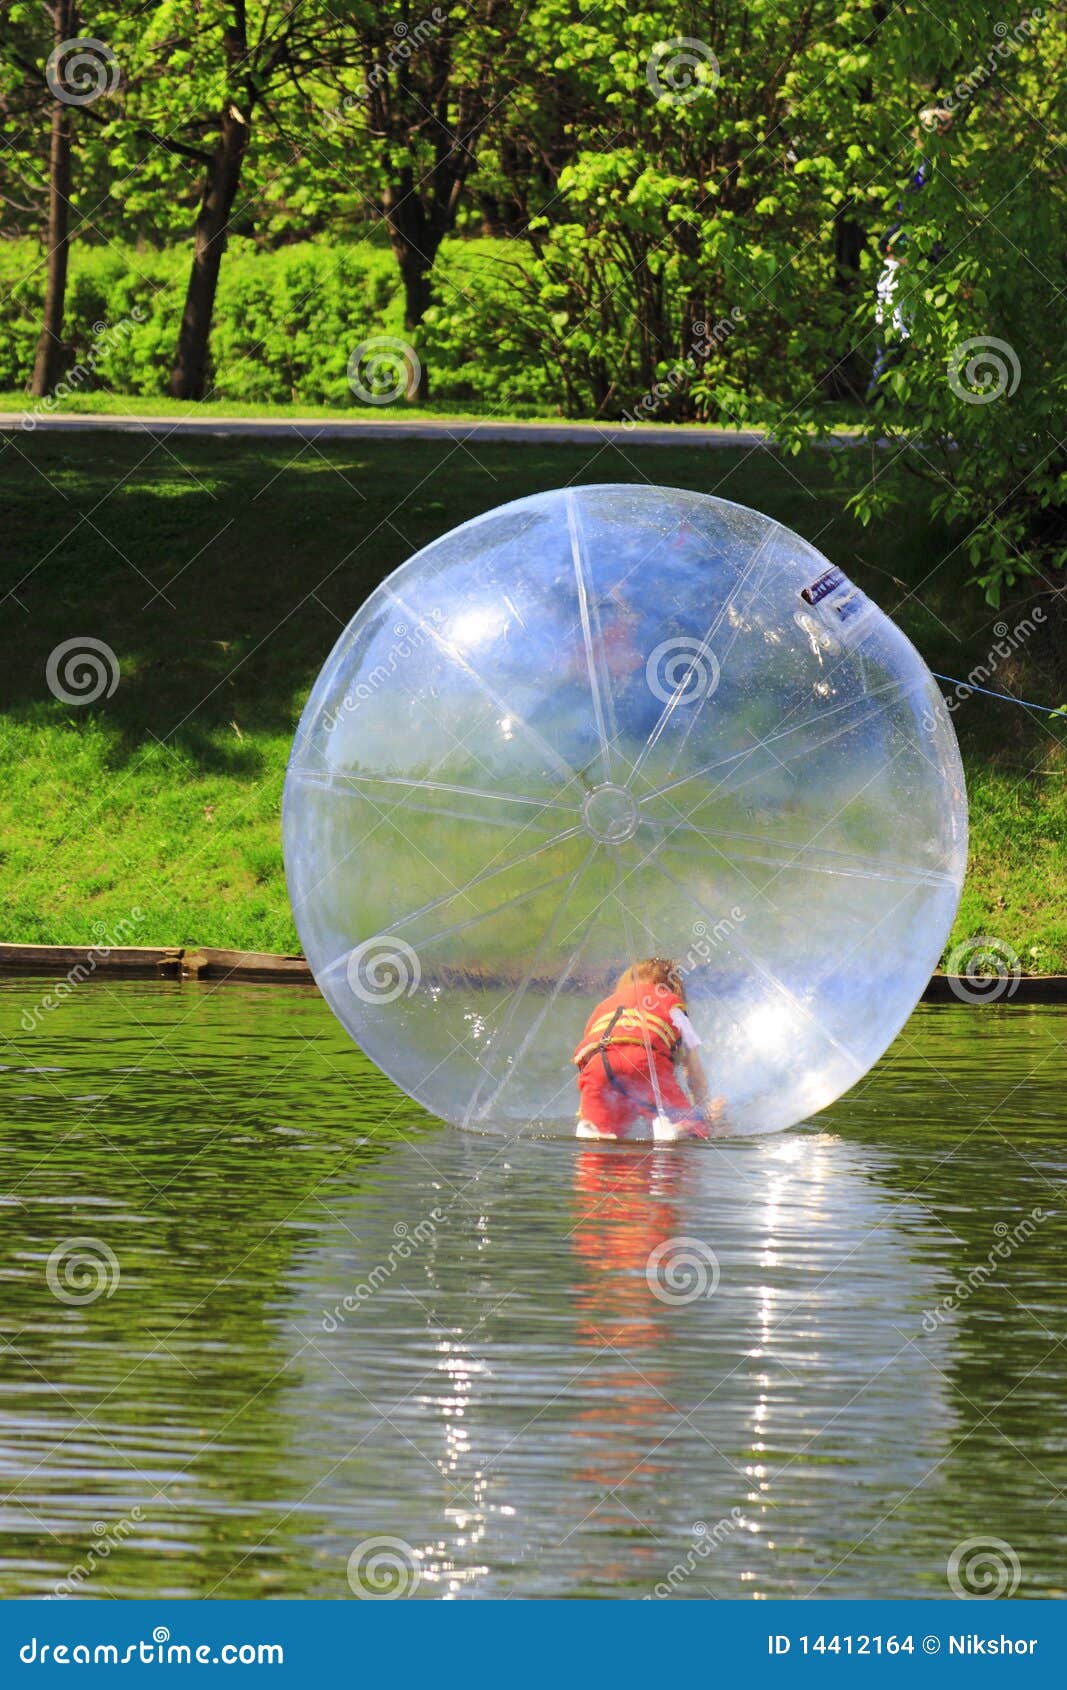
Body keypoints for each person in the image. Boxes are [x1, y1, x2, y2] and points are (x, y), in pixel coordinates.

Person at [572, 958, 726, 1142]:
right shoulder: (672, 1007)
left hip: (599, 1067)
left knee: (602, 1134)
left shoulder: (607, 1007)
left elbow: (590, 1054)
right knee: (697, 1129)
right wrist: (704, 1109)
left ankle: (590, 1130)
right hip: (644, 1062)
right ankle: (677, 1129)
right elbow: (693, 1071)